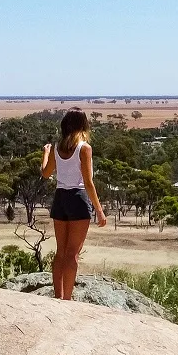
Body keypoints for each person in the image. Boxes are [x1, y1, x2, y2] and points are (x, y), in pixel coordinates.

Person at [40, 109, 108, 299]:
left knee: (61, 252)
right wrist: (99, 211)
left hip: (60, 198)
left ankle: (58, 295)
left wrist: (45, 153)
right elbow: (88, 183)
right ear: (84, 125)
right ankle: (68, 299)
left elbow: (45, 173)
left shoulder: (56, 147)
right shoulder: (84, 148)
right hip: (78, 198)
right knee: (72, 254)